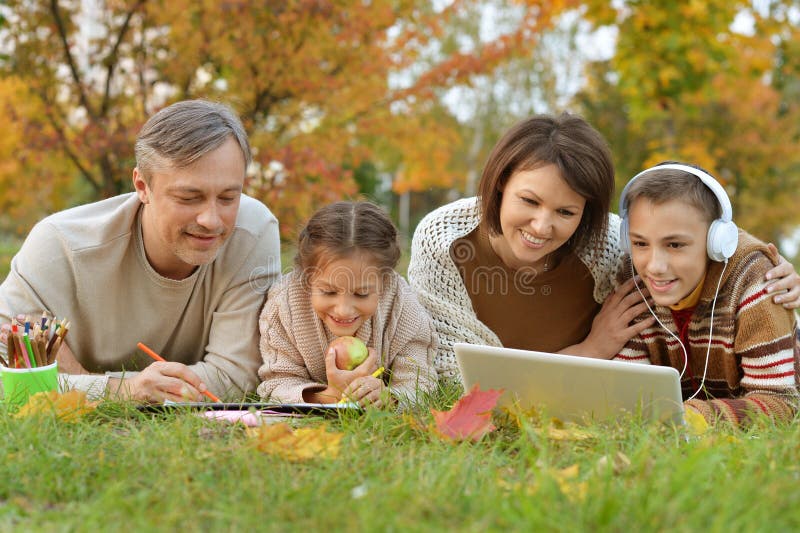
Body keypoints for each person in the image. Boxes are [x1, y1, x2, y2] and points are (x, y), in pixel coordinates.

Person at [408, 113, 800, 380]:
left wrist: (763, 265)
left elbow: (688, 235)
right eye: (529, 201)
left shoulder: (609, 243)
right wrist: (590, 351)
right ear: (499, 184)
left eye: (565, 211)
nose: (541, 226)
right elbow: (453, 378)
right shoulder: (443, 242)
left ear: (587, 213)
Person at [0, 100, 281, 402]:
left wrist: (80, 379)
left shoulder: (253, 231)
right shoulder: (59, 246)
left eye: (228, 198)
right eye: (189, 198)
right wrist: (124, 390)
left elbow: (236, 377)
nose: (211, 220)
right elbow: (8, 379)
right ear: (142, 186)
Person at [614, 162, 799, 426]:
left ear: (717, 242)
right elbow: (630, 394)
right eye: (640, 243)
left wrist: (690, 418)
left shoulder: (754, 279)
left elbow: (780, 403)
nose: (654, 266)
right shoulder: (632, 278)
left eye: (674, 244)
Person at [257, 201, 437, 407]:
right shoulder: (284, 307)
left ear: (385, 283)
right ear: (307, 279)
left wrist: (390, 398)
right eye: (328, 292)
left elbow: (420, 383)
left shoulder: (403, 307)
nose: (343, 310)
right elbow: (276, 385)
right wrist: (330, 396)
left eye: (362, 294)